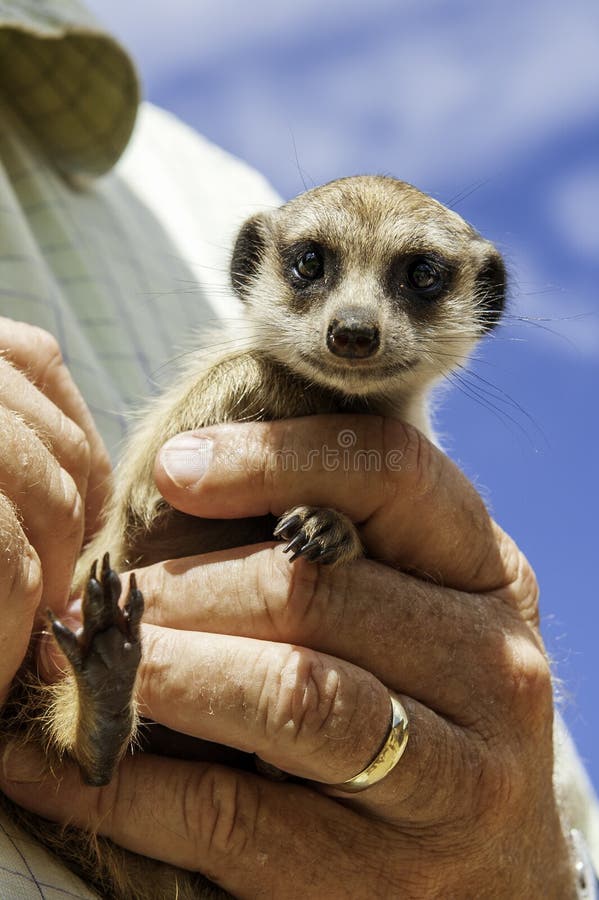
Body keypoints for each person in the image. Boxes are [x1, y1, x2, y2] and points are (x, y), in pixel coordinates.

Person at [0, 3, 597, 897]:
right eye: (313, 268)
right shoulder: (236, 371)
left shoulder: (188, 176)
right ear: (253, 273)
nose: (355, 322)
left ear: (485, 302)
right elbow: (136, 515)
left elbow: (534, 826)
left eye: (418, 278)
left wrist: (518, 869)